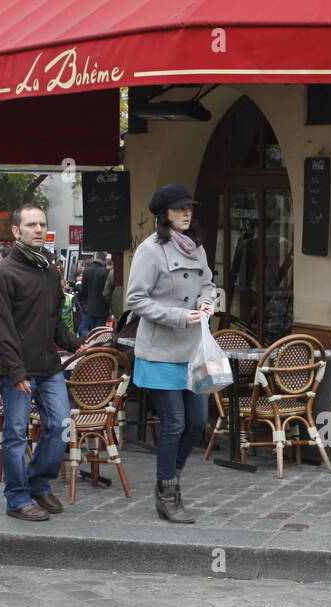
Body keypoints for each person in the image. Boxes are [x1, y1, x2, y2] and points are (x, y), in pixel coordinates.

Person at [126, 184, 216, 523]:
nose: (187, 213)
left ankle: (172, 475)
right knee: (174, 423)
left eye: (189, 208)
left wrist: (209, 301)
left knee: (197, 422)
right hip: (161, 351)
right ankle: (167, 491)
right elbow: (135, 299)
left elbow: (208, 282)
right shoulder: (150, 250)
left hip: (194, 350)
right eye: (179, 209)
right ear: (165, 214)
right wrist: (179, 315)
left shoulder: (197, 248)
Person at [0, 204, 82, 521]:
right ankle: (16, 498)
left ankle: (38, 483)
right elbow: (2, 329)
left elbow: (55, 320)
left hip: (49, 365)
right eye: (31, 225)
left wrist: (77, 343)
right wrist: (16, 372)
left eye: (42, 224)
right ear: (16, 231)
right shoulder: (3, 274)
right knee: (15, 434)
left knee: (62, 425)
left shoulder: (49, 268)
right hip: (19, 370)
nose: (39, 229)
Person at [78, 254, 110, 337]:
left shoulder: (87, 271)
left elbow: (83, 290)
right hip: (102, 308)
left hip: (88, 307)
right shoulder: (105, 272)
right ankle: (94, 344)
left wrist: (82, 303)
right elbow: (107, 292)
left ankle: (89, 339)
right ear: (105, 259)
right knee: (99, 332)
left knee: (83, 327)